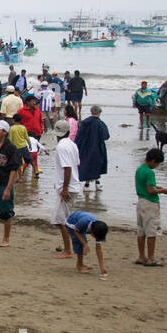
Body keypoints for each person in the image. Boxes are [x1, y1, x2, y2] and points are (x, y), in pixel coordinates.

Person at [51, 118, 81, 257]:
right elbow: (76, 164)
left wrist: (64, 188)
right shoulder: (72, 144)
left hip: (68, 187)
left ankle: (68, 249)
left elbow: (67, 168)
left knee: (61, 219)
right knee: (63, 219)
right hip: (72, 185)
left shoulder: (62, 147)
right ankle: (69, 247)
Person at [135, 148, 167, 265]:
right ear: (153, 161)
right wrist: (162, 191)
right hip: (150, 203)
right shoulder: (150, 172)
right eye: (157, 163)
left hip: (140, 201)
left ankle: (141, 256)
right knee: (151, 231)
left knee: (141, 231)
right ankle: (151, 258)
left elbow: (145, 186)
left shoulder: (140, 169)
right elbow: (150, 190)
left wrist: (157, 187)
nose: (156, 166)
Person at [64, 211, 108, 276]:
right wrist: (85, 245)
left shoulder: (98, 229)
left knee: (83, 241)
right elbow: (76, 231)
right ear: (92, 232)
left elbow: (98, 249)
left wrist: (102, 266)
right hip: (72, 222)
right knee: (79, 243)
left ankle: (81, 263)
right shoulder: (84, 222)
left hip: (82, 222)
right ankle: (79, 265)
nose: (96, 239)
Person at [76, 105, 109, 189]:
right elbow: (106, 136)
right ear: (99, 113)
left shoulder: (84, 122)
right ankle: (97, 183)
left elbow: (78, 136)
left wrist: (77, 146)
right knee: (97, 165)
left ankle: (86, 184)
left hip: (85, 147)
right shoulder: (100, 123)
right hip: (97, 147)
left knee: (86, 164)